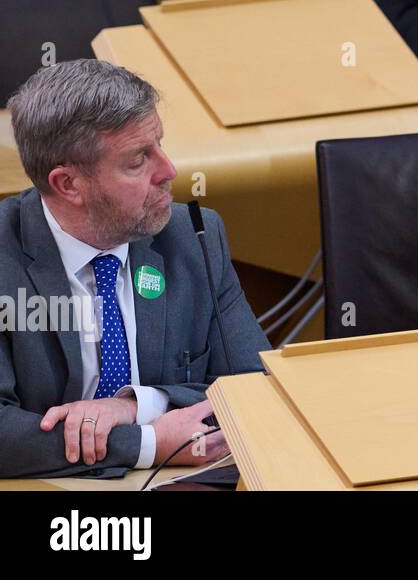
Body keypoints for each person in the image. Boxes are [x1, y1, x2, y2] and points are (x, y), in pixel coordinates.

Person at [0, 60, 269, 478]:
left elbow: (257, 387)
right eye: (138, 160)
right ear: (68, 185)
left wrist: (133, 406)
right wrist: (147, 443)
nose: (168, 171)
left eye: (159, 144)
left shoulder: (193, 236)